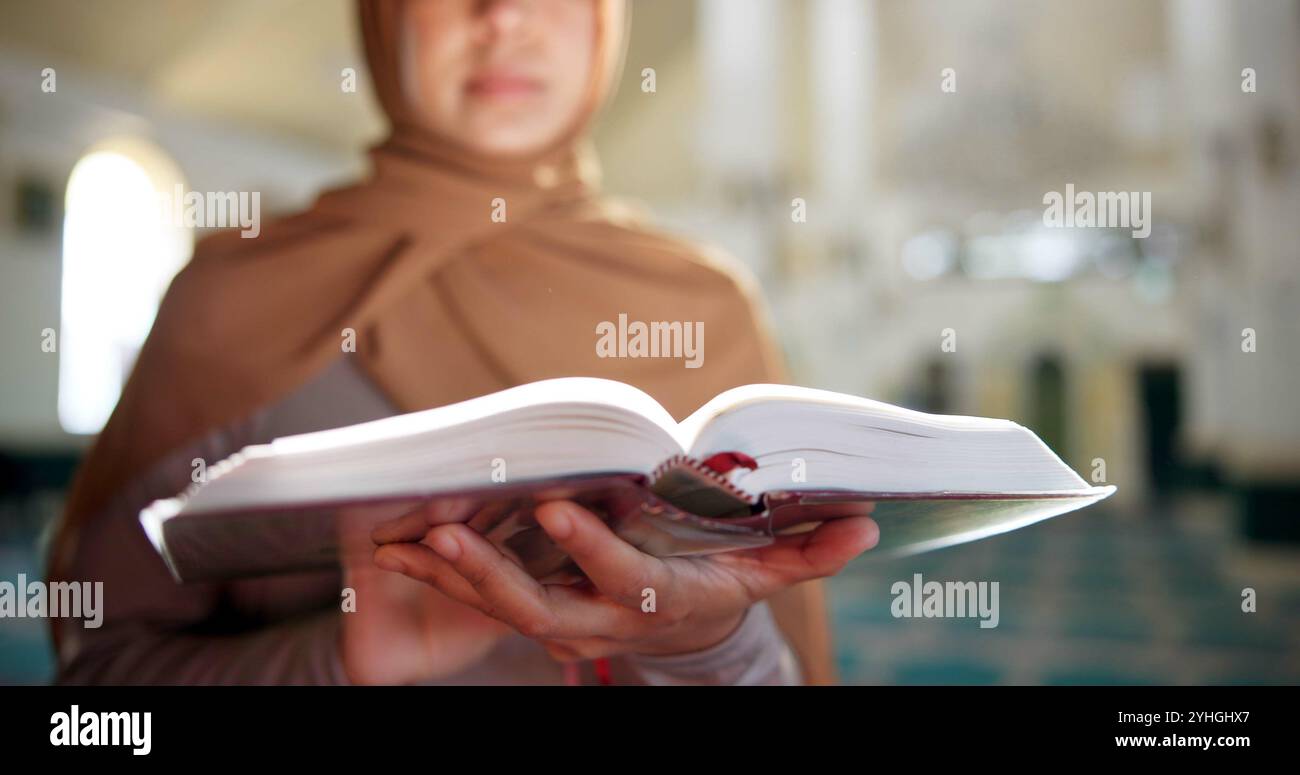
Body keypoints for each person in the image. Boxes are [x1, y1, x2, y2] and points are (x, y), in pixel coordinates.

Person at [47, 0, 878, 685]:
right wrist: (334, 660)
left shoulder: (703, 307)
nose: (503, 16)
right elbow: (99, 690)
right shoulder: (230, 303)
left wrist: (701, 641)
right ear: (381, 20)